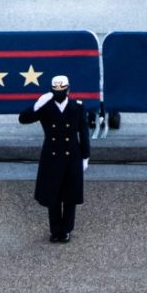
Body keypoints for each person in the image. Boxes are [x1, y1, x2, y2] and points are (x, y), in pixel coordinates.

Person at [19, 72, 89, 243]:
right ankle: (55, 229)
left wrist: (85, 156)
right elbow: (23, 119)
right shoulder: (46, 106)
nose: (59, 93)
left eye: (62, 89)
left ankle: (66, 229)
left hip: (72, 156)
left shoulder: (77, 107)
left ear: (68, 90)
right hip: (51, 156)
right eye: (56, 90)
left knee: (70, 196)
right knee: (53, 195)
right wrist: (36, 106)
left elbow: (84, 134)